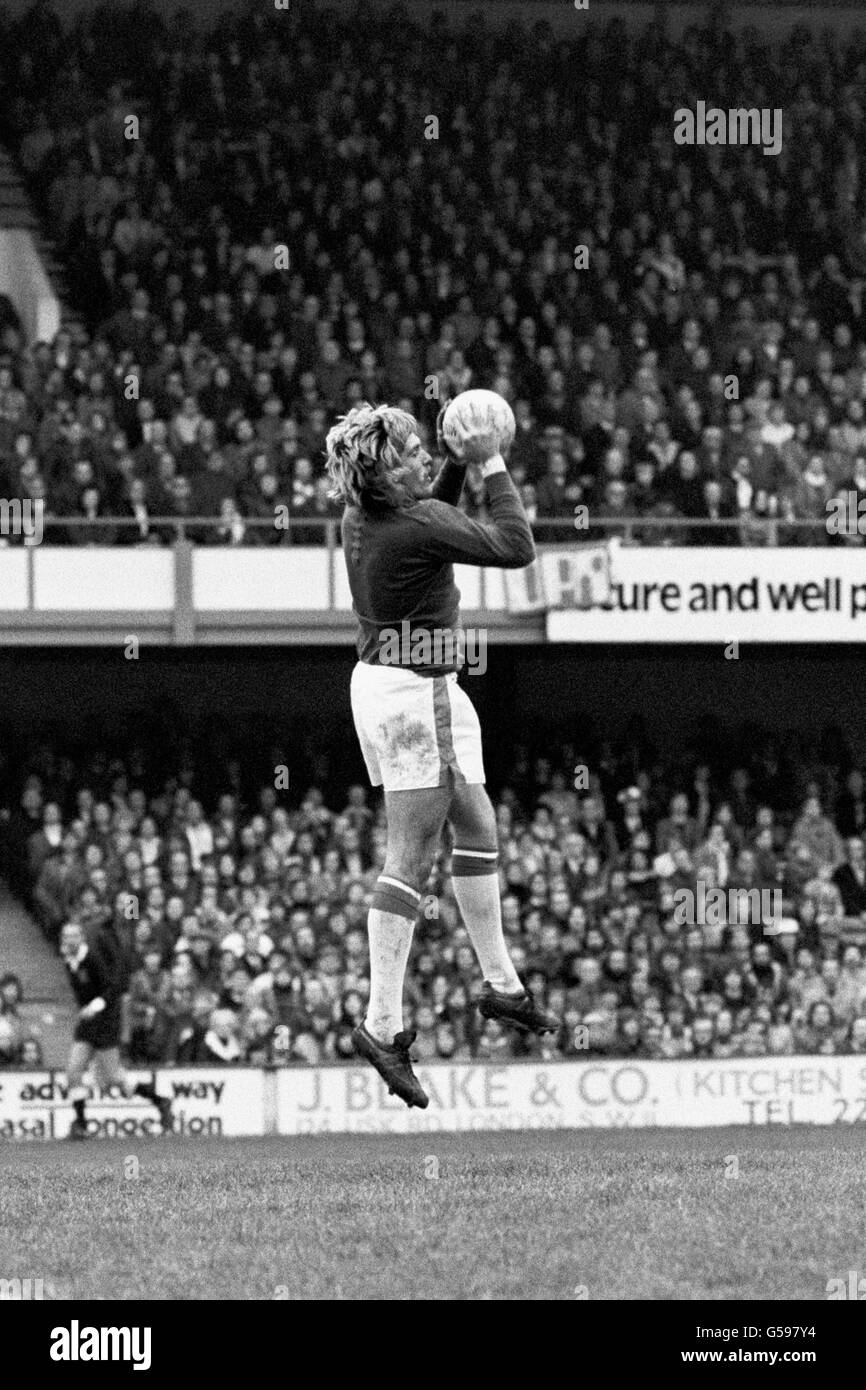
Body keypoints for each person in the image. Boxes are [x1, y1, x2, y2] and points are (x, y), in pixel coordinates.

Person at [325, 398, 557, 1108]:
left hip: (396, 682)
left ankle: (502, 985)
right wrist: (487, 462)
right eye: (415, 453)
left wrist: (452, 469)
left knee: (478, 826)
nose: (428, 456)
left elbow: (436, 523)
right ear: (387, 472)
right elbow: (515, 546)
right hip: (416, 693)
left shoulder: (365, 516)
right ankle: (381, 1024)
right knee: (412, 855)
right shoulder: (417, 522)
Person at [59, 920, 173, 1139]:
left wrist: (95, 1006)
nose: (69, 939)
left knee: (114, 1078)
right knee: (73, 1072)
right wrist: (85, 1009)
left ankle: (161, 1101)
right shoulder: (69, 960)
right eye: (66, 936)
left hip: (105, 1023)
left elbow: (113, 988)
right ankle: (81, 1124)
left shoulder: (92, 958)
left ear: (81, 937)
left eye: (74, 935)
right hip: (88, 1024)